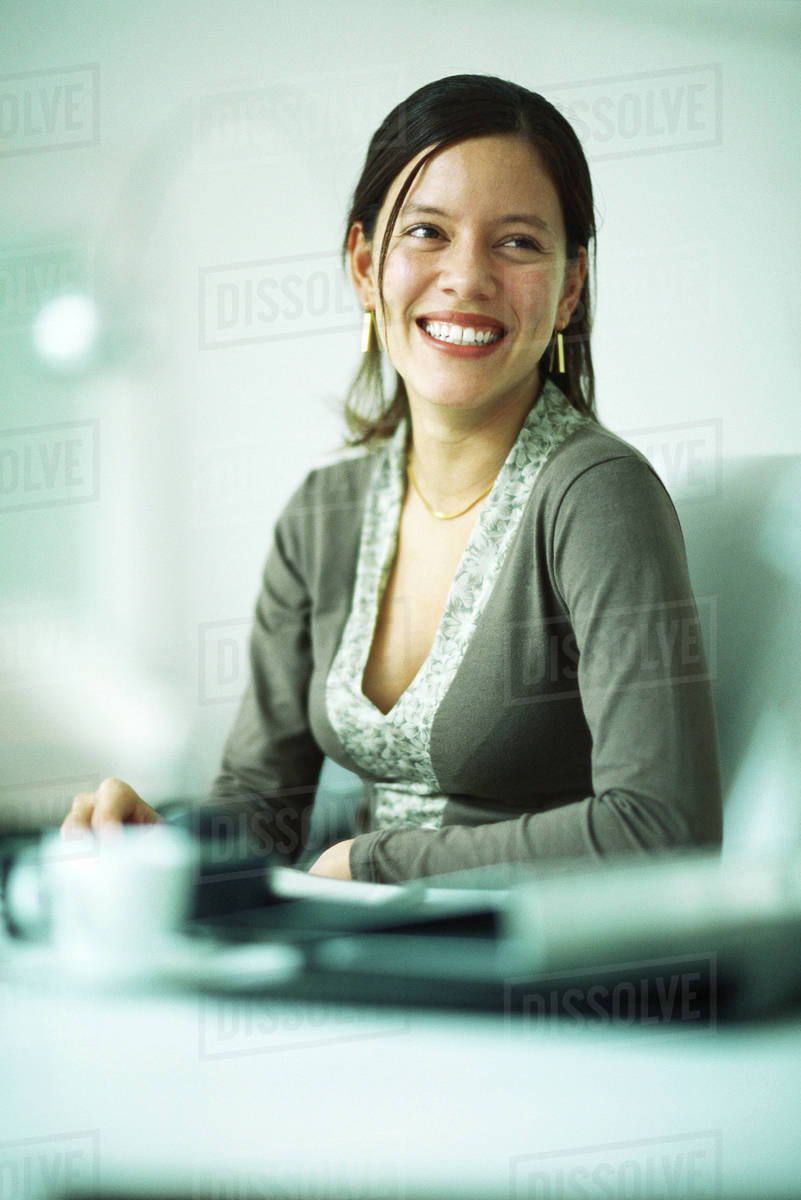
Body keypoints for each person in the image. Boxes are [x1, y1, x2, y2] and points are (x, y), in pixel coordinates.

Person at [61, 74, 722, 883]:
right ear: (365, 266)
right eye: (427, 233)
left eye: (516, 242)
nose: (467, 277)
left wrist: (379, 863)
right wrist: (151, 847)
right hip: (359, 956)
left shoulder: (596, 495)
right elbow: (261, 816)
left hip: (529, 986)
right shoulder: (321, 514)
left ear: (569, 287)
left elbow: (664, 826)